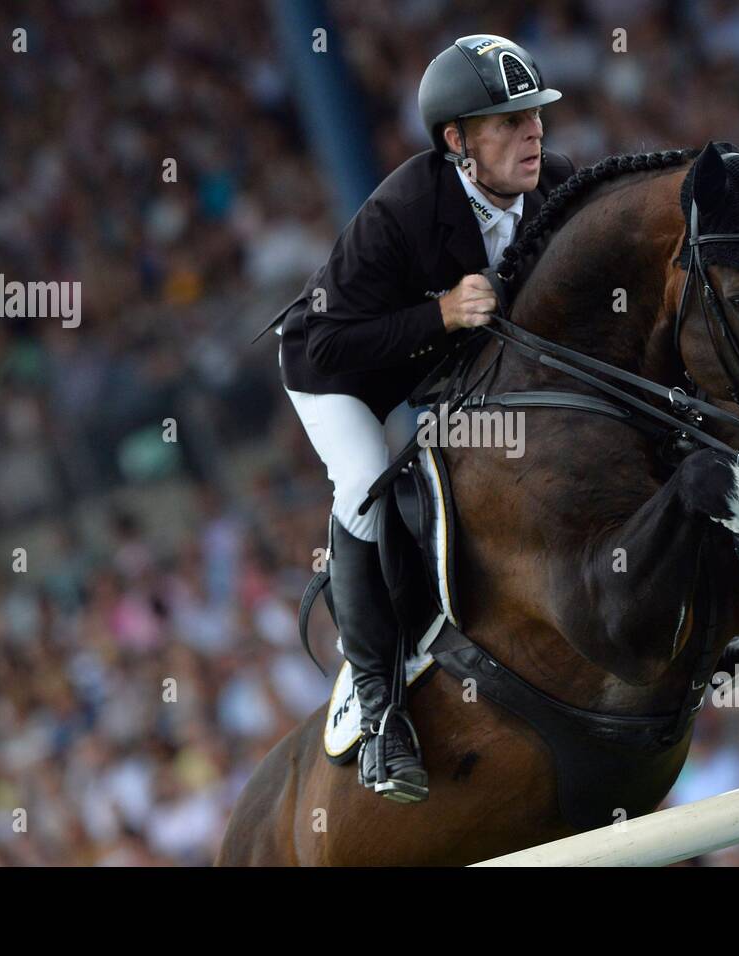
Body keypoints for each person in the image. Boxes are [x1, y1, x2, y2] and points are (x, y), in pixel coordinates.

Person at [265, 34, 574, 802]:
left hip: (436, 371)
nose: (532, 132)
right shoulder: (405, 206)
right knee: (366, 482)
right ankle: (380, 715)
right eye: (507, 122)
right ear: (457, 141)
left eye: (534, 115)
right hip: (336, 372)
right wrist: (439, 314)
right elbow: (331, 341)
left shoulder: (557, 186)